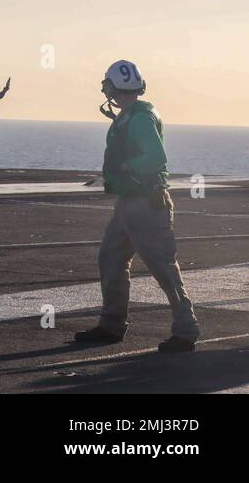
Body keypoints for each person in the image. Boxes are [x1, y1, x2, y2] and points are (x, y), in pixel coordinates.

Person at [74, 60, 199, 353]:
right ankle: (111, 324)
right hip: (129, 202)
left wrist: (128, 168)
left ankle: (186, 329)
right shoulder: (133, 115)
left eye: (108, 86)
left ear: (115, 87)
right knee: (111, 259)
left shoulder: (139, 118)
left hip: (146, 203)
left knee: (164, 269)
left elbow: (156, 157)